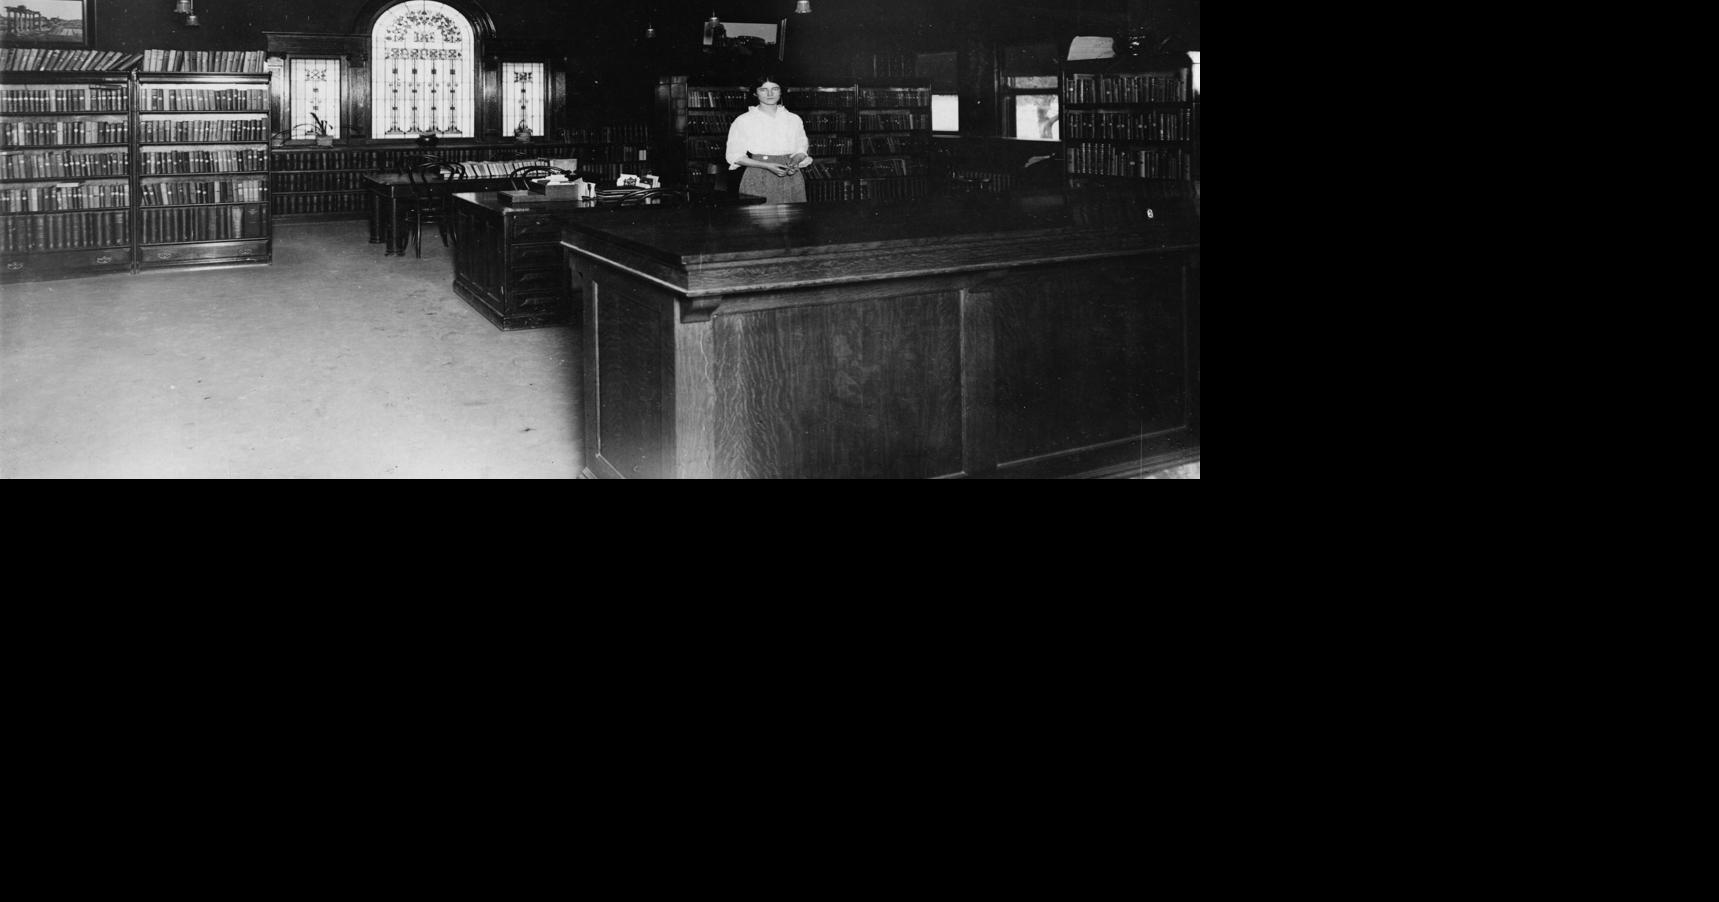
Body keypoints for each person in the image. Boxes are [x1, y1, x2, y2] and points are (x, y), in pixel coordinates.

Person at [724, 74, 813, 204]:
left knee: (793, 221)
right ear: (755, 93)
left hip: (790, 176)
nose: (770, 93)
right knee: (761, 221)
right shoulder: (744, 120)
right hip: (758, 175)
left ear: (781, 91)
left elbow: (801, 148)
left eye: (775, 89)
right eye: (763, 89)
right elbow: (735, 155)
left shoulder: (793, 119)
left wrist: (794, 162)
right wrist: (766, 165)